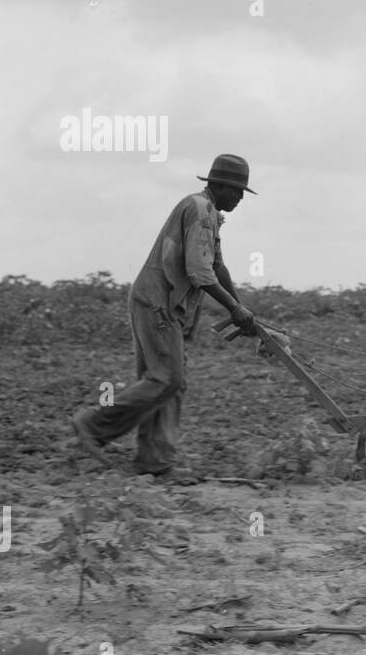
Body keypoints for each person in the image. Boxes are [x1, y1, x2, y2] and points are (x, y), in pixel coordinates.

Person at [71, 154, 257, 481]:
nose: (241, 198)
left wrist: (240, 309)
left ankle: (154, 462)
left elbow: (217, 267)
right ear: (221, 186)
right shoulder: (199, 210)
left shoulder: (210, 214)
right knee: (166, 379)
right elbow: (200, 273)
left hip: (164, 303)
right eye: (238, 191)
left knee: (171, 382)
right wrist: (235, 309)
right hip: (158, 301)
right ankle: (94, 424)